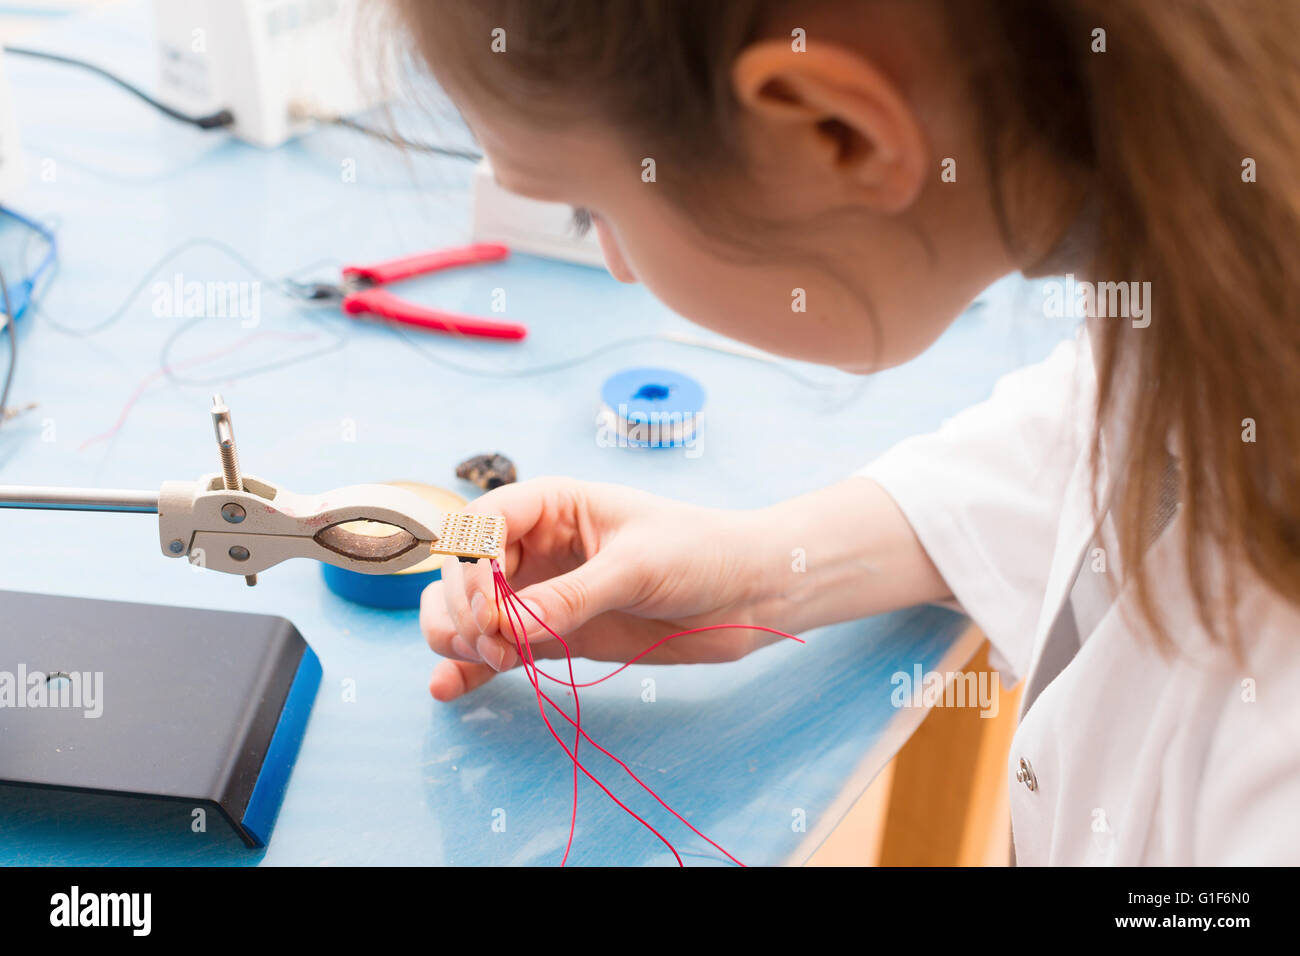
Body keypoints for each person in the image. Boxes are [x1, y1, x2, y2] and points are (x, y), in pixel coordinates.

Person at [400, 0, 1300, 864]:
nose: (615, 268)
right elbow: (1099, 431)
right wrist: (766, 572)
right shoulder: (1213, 256)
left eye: (591, 210)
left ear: (835, 134)